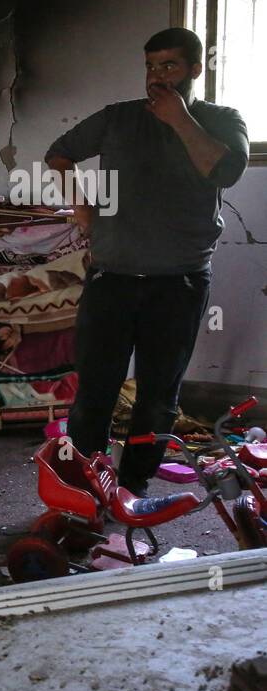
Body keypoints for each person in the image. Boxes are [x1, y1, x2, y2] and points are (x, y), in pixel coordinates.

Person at [45, 27, 249, 495]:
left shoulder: (221, 120)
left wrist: (179, 120)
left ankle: (133, 486)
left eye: (170, 66)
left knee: (157, 398)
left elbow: (227, 171)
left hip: (178, 283)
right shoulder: (118, 118)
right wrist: (82, 211)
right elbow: (58, 154)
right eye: (151, 66)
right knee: (94, 393)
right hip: (111, 279)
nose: (157, 77)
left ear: (196, 69)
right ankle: (88, 486)